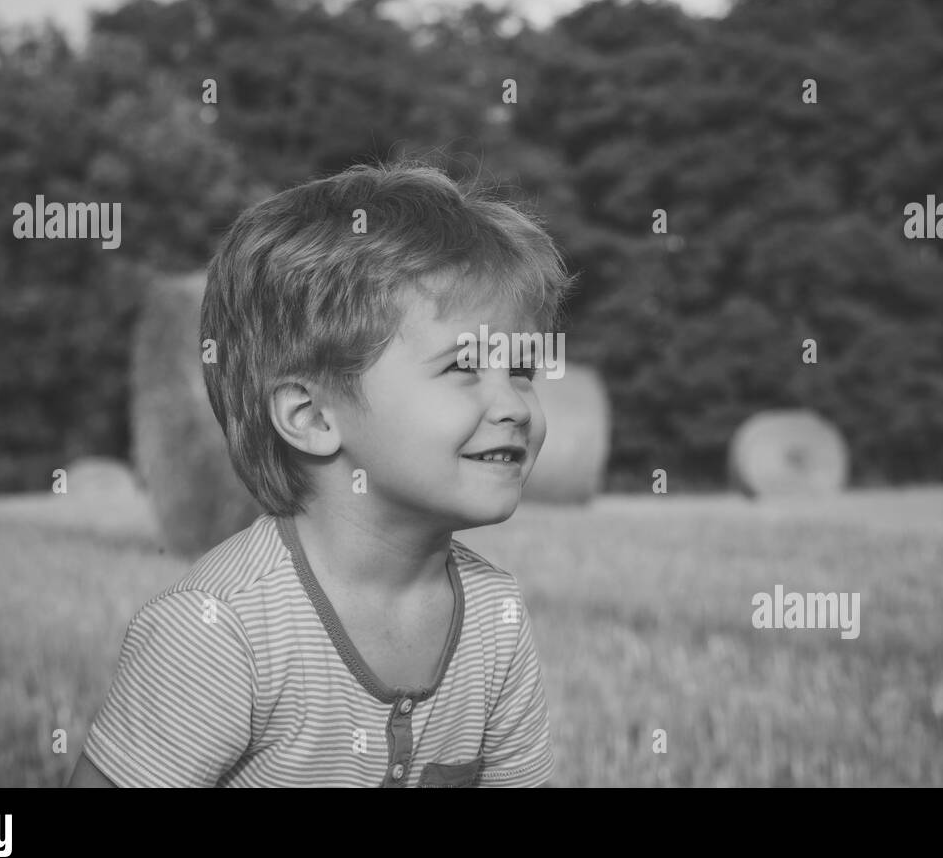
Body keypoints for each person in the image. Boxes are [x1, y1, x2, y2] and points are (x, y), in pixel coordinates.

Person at [68, 159, 574, 787]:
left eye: (522, 368)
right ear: (310, 416)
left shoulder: (495, 613)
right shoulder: (221, 630)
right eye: (464, 367)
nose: (513, 406)